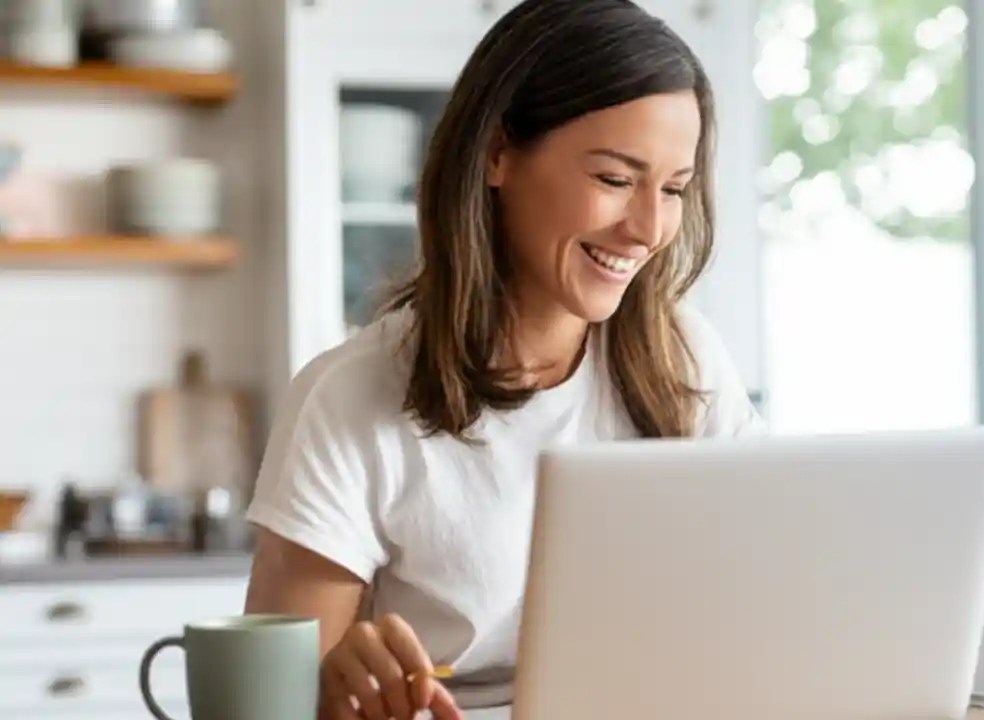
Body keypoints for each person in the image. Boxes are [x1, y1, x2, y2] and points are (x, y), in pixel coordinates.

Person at [243, 1, 761, 718]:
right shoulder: (349, 398)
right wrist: (334, 693)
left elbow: (752, 602)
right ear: (497, 154)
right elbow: (265, 707)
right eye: (614, 179)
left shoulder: (687, 360)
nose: (648, 229)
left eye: (672, 189)